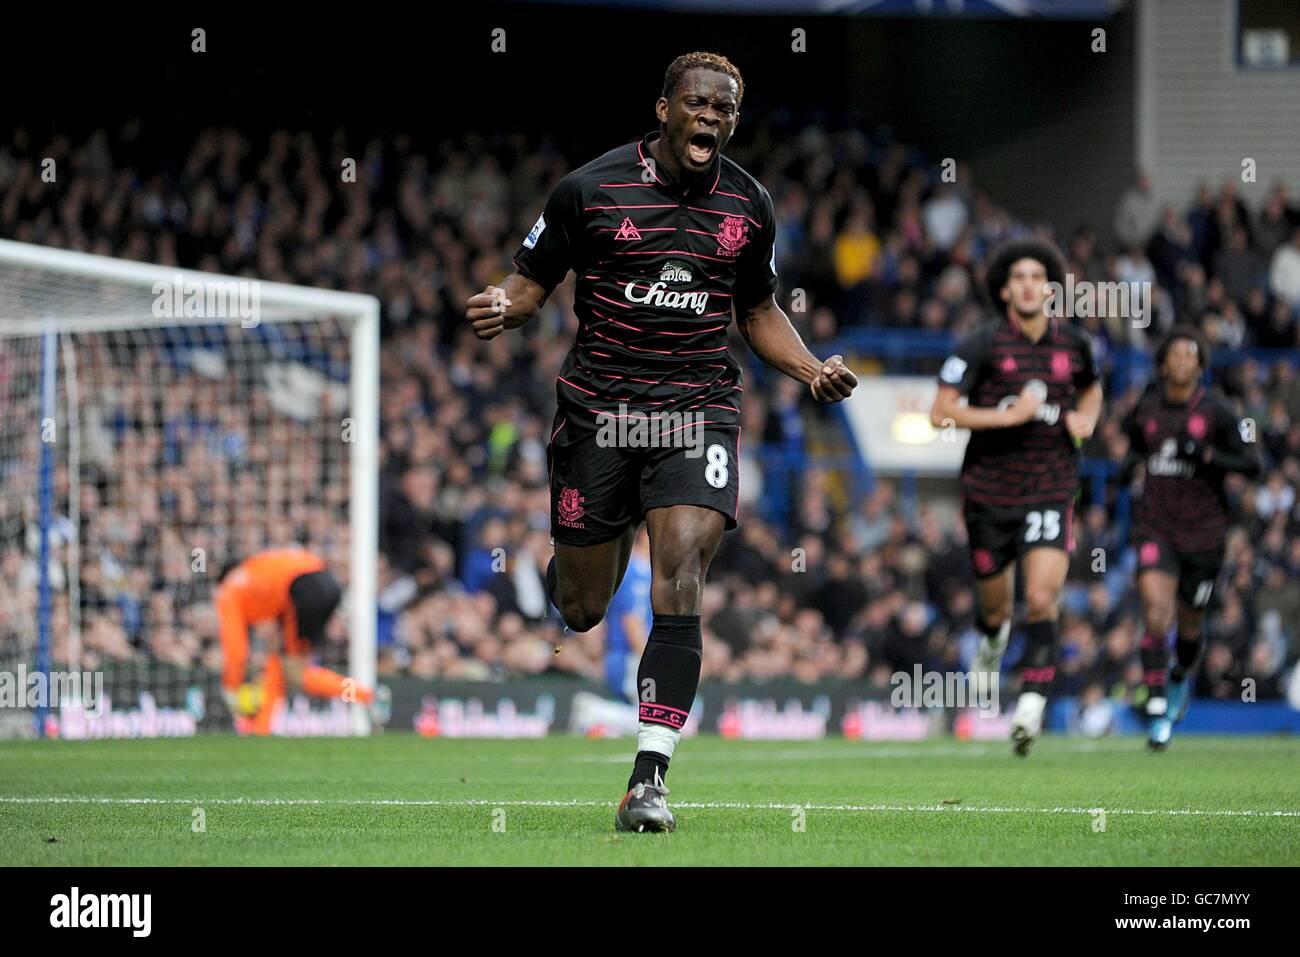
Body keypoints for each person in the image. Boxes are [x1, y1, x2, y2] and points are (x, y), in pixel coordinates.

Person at [466, 51, 857, 831]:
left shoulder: (749, 207)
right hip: (599, 415)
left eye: (726, 109)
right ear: (665, 108)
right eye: (698, 103)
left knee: (680, 569)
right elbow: (533, 279)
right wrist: (507, 307)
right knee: (582, 607)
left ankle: (650, 777)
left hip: (696, 408)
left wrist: (811, 369)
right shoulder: (588, 190)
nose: (711, 117)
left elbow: (757, 310)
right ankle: (584, 551)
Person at [930, 240, 1103, 756]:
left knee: (1044, 598)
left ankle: (1031, 704)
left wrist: (1087, 419)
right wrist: (1005, 417)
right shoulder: (980, 345)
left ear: (1050, 288)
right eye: (1019, 277)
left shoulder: (1075, 345)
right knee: (996, 608)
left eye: (1038, 276)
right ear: (1006, 289)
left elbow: (1092, 389)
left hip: (1050, 488)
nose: (1030, 284)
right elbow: (940, 412)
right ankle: (990, 645)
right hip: (988, 493)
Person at [1119, 326, 1262, 749]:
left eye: (1190, 354)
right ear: (1163, 364)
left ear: (1200, 365)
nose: (1182, 360)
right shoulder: (1145, 409)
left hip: (1203, 534)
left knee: (1189, 624)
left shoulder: (1218, 411)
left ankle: (1179, 677)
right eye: (1175, 354)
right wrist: (1128, 469)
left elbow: (1252, 462)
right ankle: (1158, 706)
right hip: (1155, 527)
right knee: (1155, 611)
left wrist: (1208, 456)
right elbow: (1132, 451)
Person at [216, 548, 374, 735]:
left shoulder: (230, 589)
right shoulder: (258, 569)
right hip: (327, 583)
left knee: (293, 672)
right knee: (280, 663)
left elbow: (235, 648)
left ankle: (365, 695)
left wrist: (231, 687)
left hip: (303, 591)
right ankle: (261, 728)